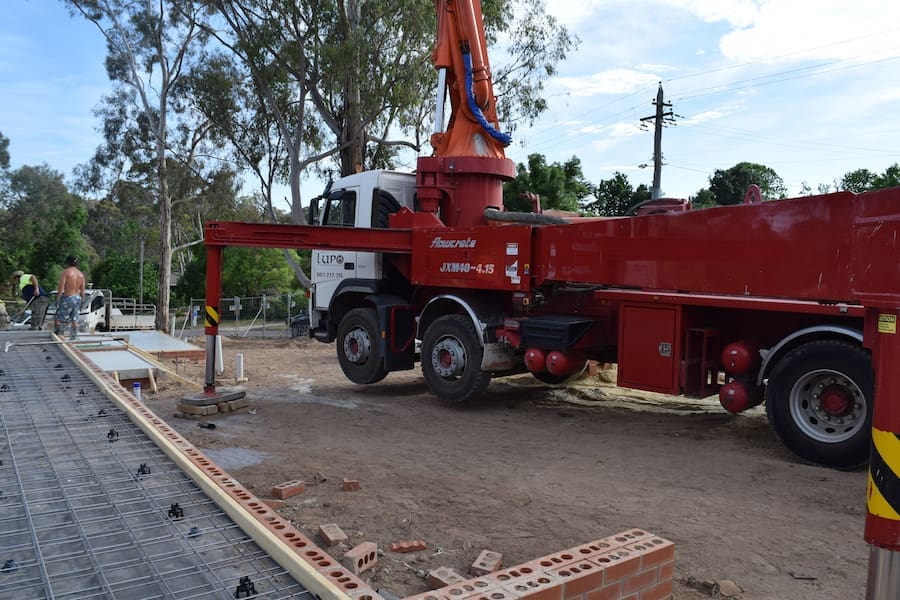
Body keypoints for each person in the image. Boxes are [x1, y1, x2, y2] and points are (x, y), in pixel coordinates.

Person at [55, 255, 86, 340]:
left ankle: (59, 337)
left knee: (58, 319)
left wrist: (57, 299)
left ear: (67, 263)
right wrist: (82, 301)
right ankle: (73, 338)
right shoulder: (81, 274)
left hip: (68, 297)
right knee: (74, 319)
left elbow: (61, 287)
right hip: (77, 298)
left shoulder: (66, 272)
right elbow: (82, 290)